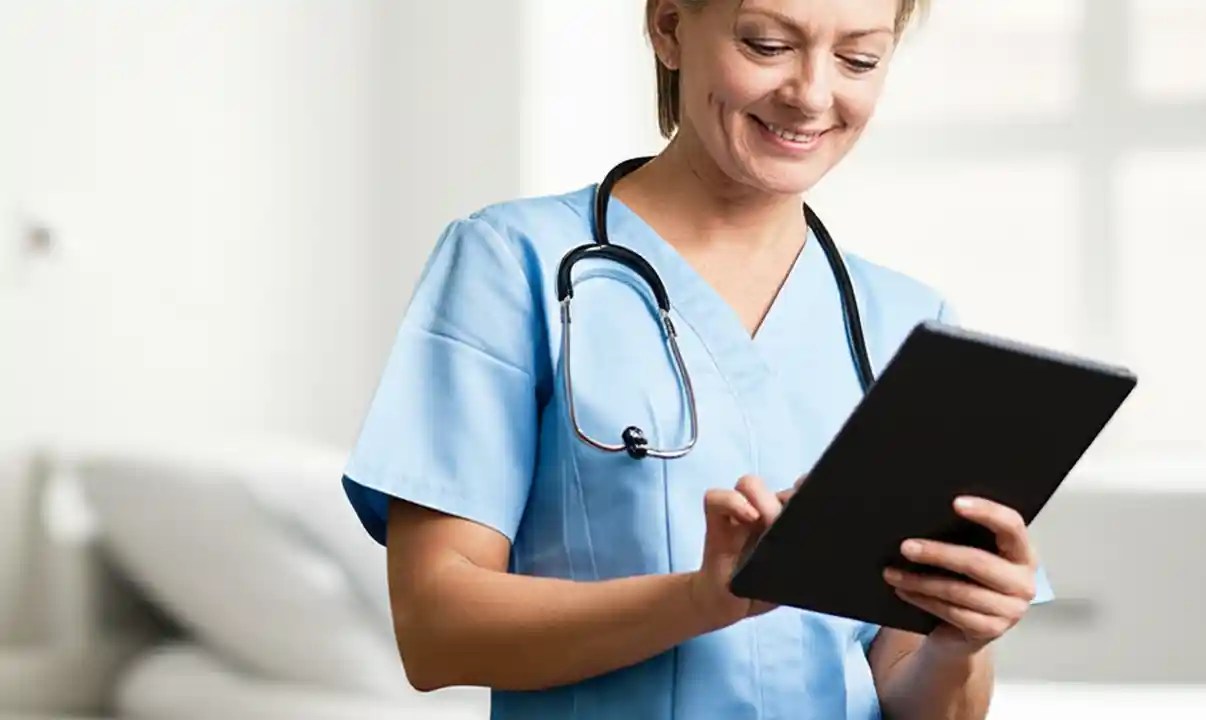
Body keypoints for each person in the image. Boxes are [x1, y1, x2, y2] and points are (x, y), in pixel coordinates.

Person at [341, 0, 1053, 717]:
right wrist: (699, 600)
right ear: (670, 27)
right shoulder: (510, 263)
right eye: (767, 44)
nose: (810, 94)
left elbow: (911, 690)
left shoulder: (908, 323)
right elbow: (437, 631)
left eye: (858, 59)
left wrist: (960, 641)